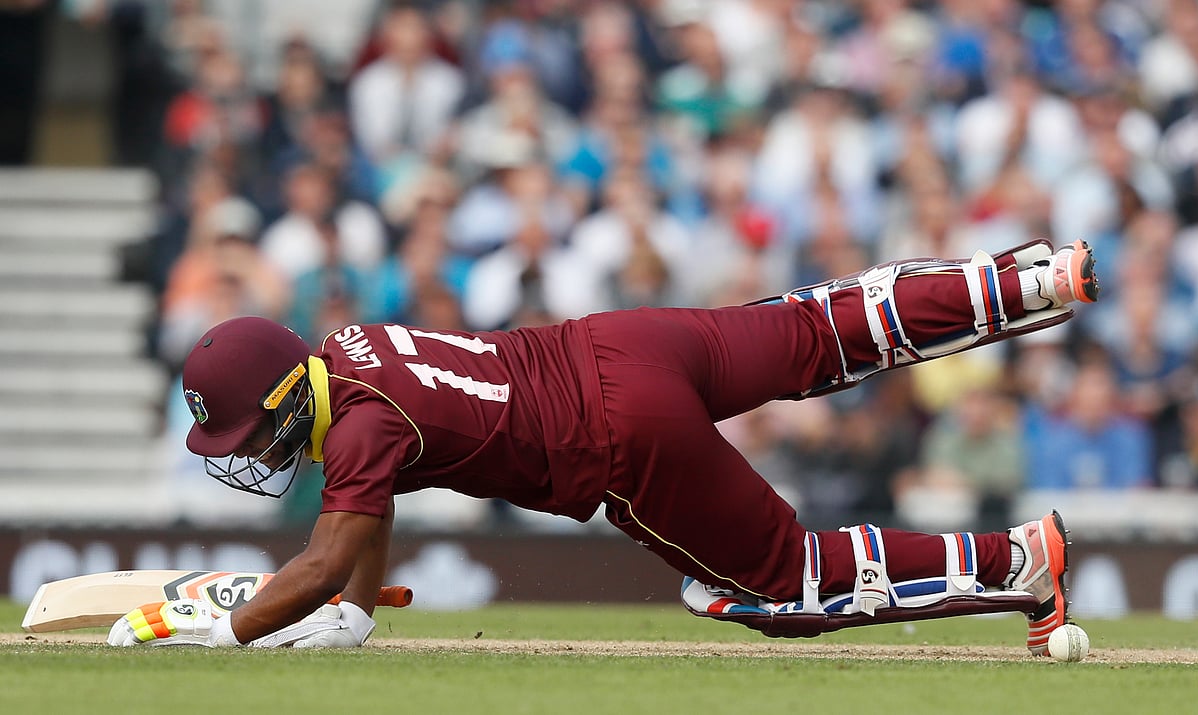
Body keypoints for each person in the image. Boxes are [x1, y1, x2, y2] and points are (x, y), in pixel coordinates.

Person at [108, 239, 1098, 654]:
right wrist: (354, 613)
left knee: (775, 583)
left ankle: (1017, 562)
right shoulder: (352, 355)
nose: (254, 448)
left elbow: (327, 549)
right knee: (820, 329)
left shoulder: (359, 427)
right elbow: (363, 525)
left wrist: (222, 630)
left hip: (622, 438)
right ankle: (1030, 278)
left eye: (251, 426)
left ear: (286, 399)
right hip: (627, 339)